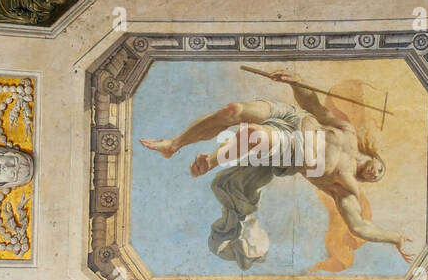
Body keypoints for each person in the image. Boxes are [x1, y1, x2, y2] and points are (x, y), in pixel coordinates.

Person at [139, 69, 413, 266]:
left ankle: (209, 161)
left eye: (377, 178)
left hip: (294, 148)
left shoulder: (345, 187)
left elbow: (360, 227)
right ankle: (174, 144)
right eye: (381, 168)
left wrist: (396, 237)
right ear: (376, 158)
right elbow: (313, 105)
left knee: (252, 136)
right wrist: (298, 83)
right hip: (294, 118)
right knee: (233, 110)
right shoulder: (348, 132)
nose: (377, 173)